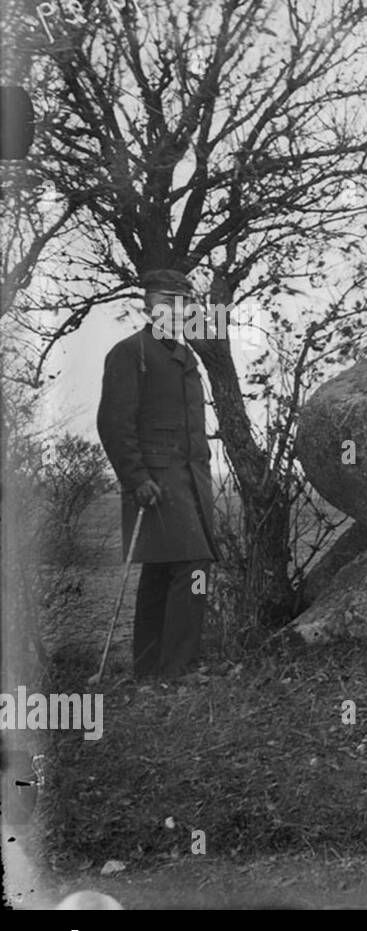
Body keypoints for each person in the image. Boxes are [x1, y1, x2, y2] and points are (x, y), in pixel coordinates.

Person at [96, 269, 218, 681]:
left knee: (163, 569)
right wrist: (136, 479)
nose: (175, 310)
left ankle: (149, 668)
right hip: (156, 482)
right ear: (148, 306)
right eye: (166, 302)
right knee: (194, 566)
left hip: (192, 482)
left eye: (182, 303)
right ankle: (177, 668)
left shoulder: (185, 356)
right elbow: (114, 423)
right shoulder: (131, 352)